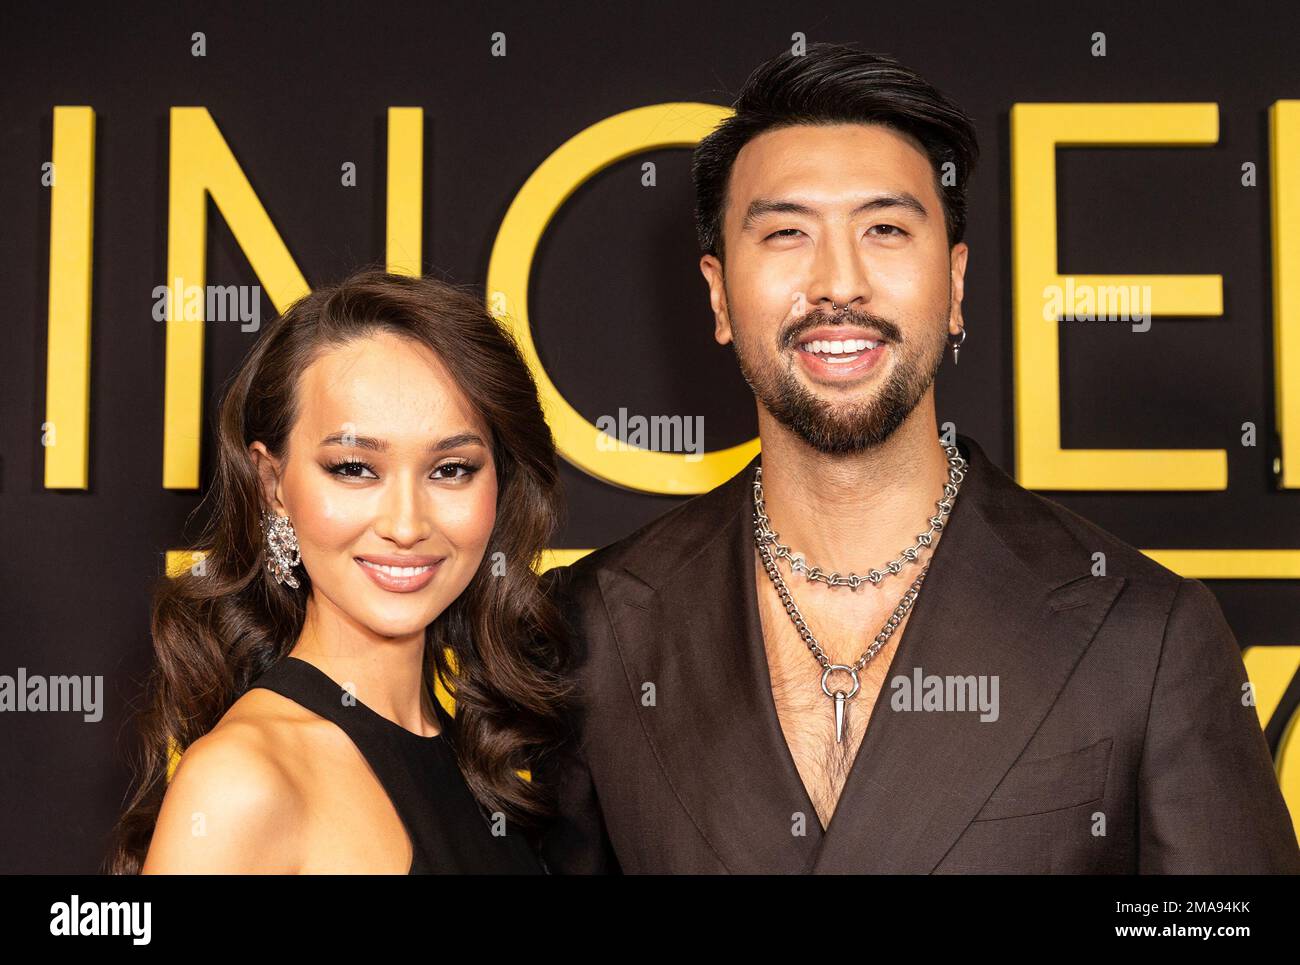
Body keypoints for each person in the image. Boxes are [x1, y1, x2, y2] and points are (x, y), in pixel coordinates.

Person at [538, 43, 1300, 873]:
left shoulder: (1146, 634)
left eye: (886, 229)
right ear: (719, 294)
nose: (840, 282)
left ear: (957, 283)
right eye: (788, 231)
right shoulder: (594, 629)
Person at [108, 266, 568, 874]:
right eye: (354, 468)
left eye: (451, 469)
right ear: (272, 485)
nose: (406, 525)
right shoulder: (242, 782)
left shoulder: (471, 759)